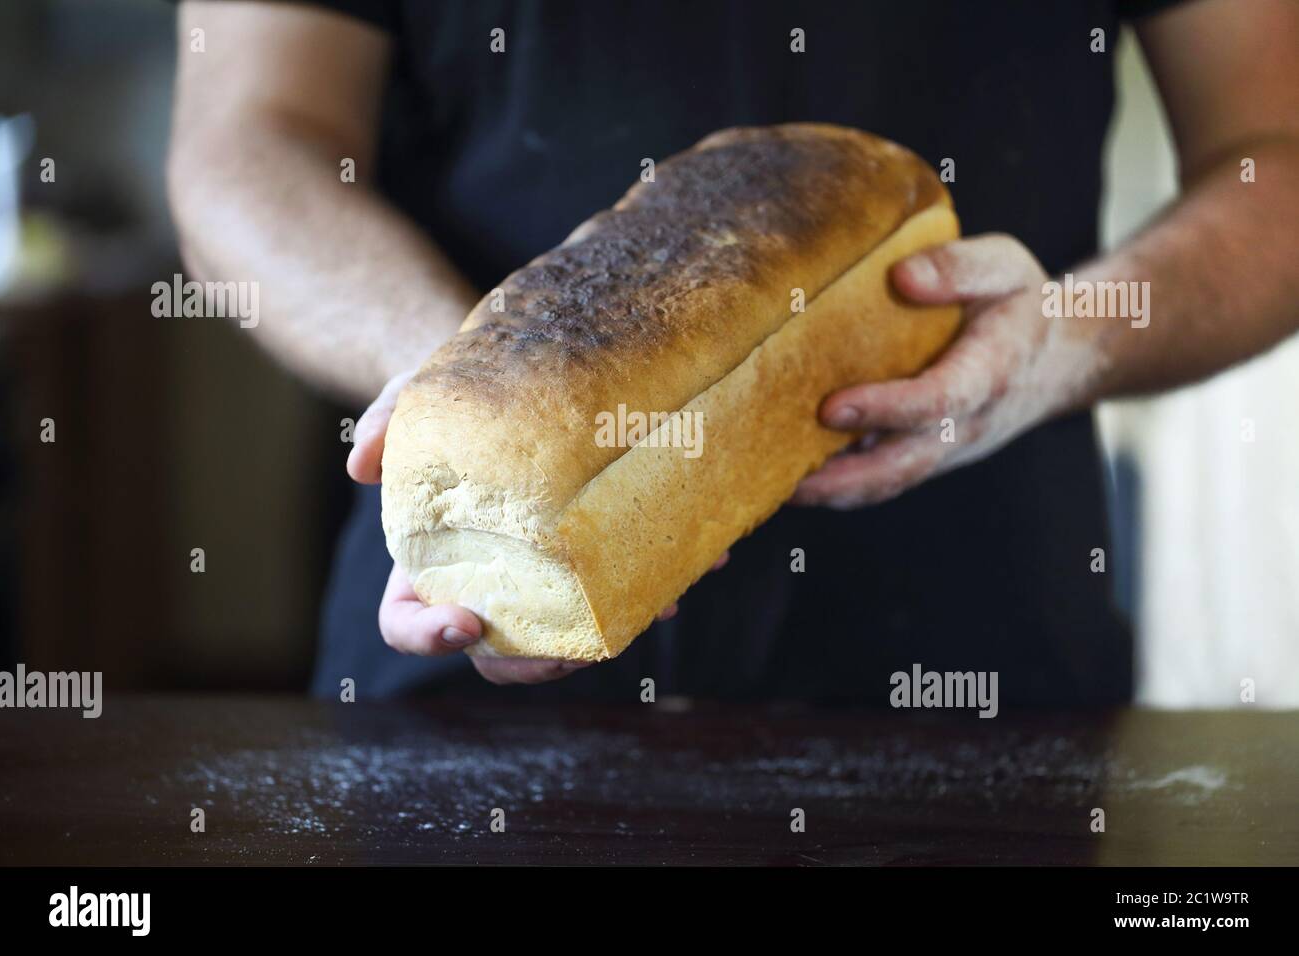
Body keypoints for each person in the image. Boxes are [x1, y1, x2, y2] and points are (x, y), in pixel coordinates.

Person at [167, 0, 1299, 705]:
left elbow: (1275, 158)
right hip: (459, 650)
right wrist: (466, 369)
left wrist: (1064, 339)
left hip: (968, 666)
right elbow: (246, 137)